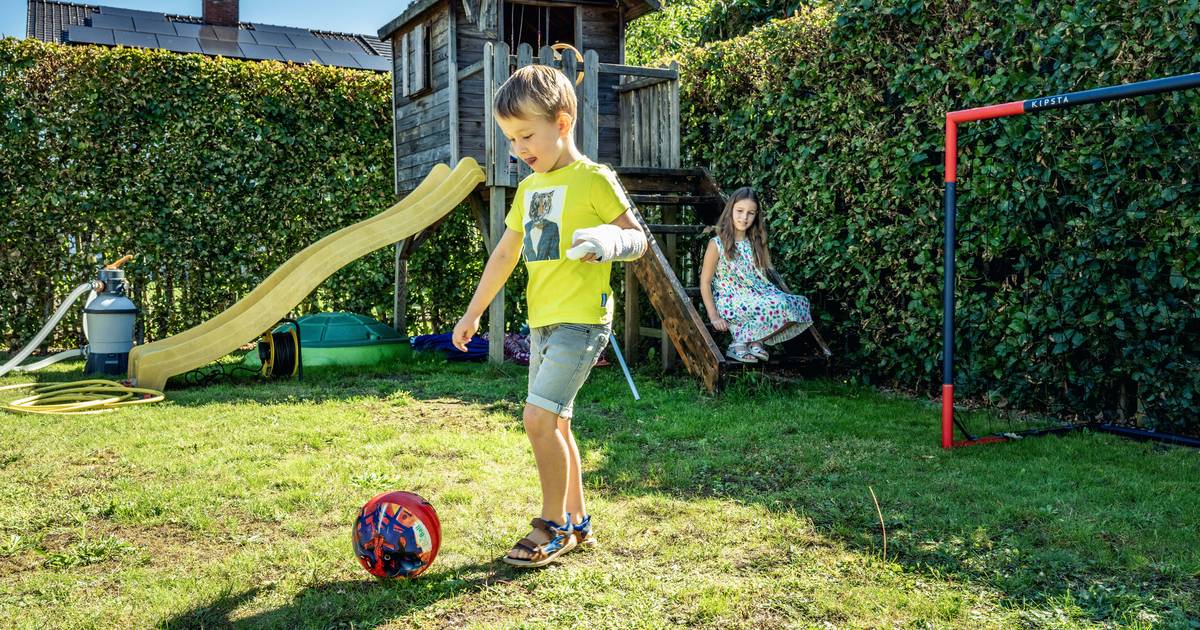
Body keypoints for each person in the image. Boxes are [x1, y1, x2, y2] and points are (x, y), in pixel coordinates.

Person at [451, 64, 646, 568]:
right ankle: (577, 523)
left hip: (582, 322)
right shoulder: (527, 190)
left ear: (562, 124)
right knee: (556, 423)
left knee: (537, 418)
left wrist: (607, 241)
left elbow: (638, 239)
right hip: (542, 323)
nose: (519, 148)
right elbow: (504, 254)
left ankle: (552, 525)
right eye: (511, 138)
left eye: (526, 135)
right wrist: (474, 311)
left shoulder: (594, 179)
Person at [699, 187, 813, 362]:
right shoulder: (717, 244)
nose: (744, 218)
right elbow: (705, 282)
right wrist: (713, 316)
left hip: (757, 295)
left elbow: (760, 275)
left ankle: (755, 340)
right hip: (731, 300)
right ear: (730, 211)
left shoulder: (756, 242)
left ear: (756, 216)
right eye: (740, 211)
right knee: (776, 304)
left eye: (750, 213)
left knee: (798, 304)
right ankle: (739, 343)